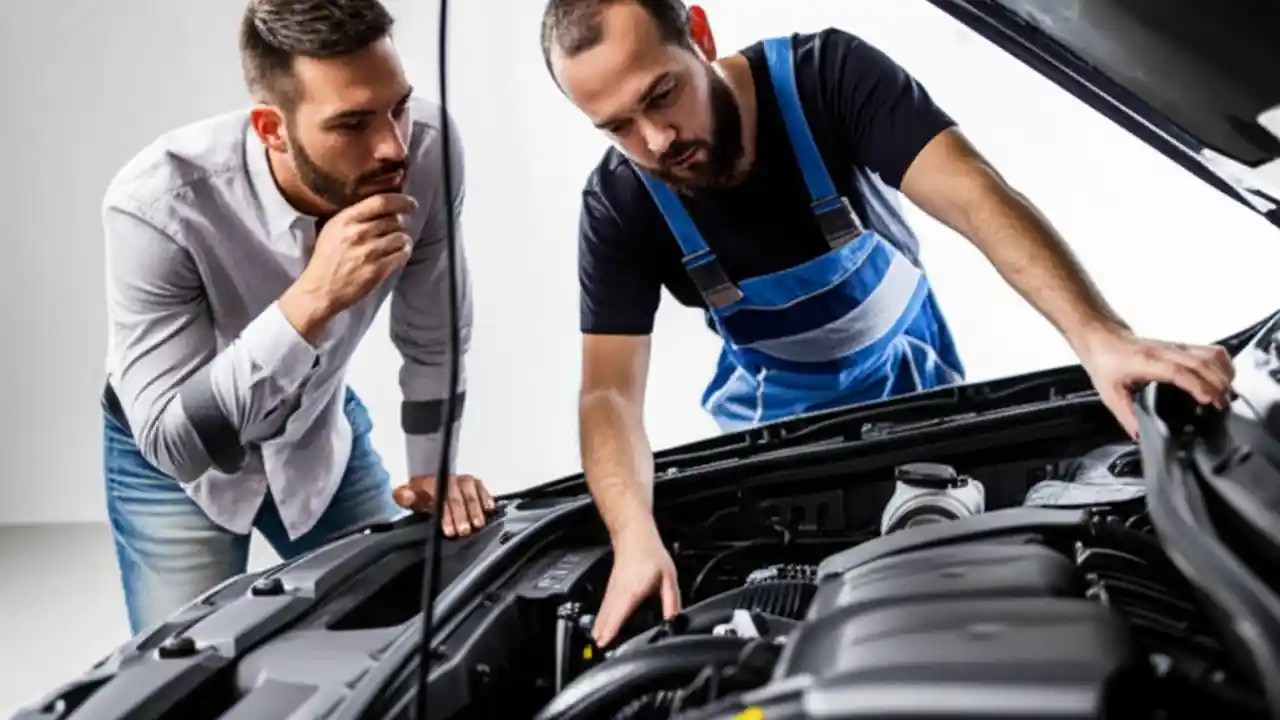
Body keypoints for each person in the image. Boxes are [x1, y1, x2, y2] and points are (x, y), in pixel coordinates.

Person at [539, 0, 1237, 648]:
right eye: (617, 127)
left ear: (700, 33)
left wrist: (1099, 337)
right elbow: (608, 393)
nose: (656, 139)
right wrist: (633, 533)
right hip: (786, 442)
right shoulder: (620, 207)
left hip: (923, 386)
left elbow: (974, 196)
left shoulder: (826, 78)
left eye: (662, 95)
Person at [101, 0, 493, 636]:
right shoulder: (156, 205)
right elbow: (175, 444)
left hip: (316, 428)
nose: (393, 145)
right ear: (271, 128)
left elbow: (434, 337)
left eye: (397, 105)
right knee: (182, 671)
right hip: (175, 460)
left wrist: (433, 469)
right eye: (352, 123)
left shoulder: (427, 147)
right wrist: (309, 301)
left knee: (402, 631)